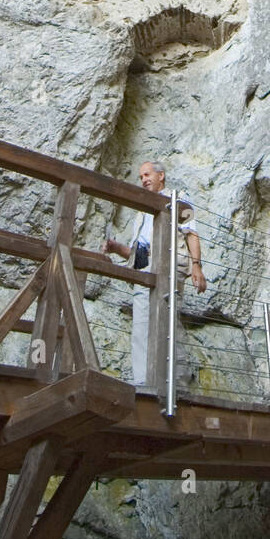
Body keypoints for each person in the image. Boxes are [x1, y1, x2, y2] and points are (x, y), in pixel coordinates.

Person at [105, 160, 206, 387]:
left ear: (161, 176)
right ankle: (143, 383)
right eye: (141, 177)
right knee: (141, 325)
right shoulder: (142, 210)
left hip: (169, 267)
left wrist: (197, 265)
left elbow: (192, 233)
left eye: (148, 174)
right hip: (143, 269)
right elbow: (135, 251)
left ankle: (177, 383)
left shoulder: (180, 199)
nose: (144, 180)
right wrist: (115, 247)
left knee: (167, 323)